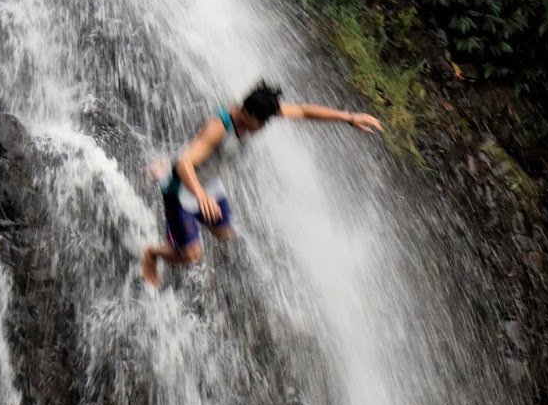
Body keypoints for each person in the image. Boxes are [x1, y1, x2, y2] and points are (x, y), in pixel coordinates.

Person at [141, 83, 384, 288]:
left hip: (209, 182)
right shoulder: (219, 126)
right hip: (183, 189)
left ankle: (173, 190)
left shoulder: (259, 111)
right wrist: (201, 196)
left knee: (224, 233)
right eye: (262, 122)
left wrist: (349, 118)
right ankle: (152, 253)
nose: (264, 127)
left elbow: (303, 111)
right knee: (192, 256)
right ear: (246, 112)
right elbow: (185, 164)